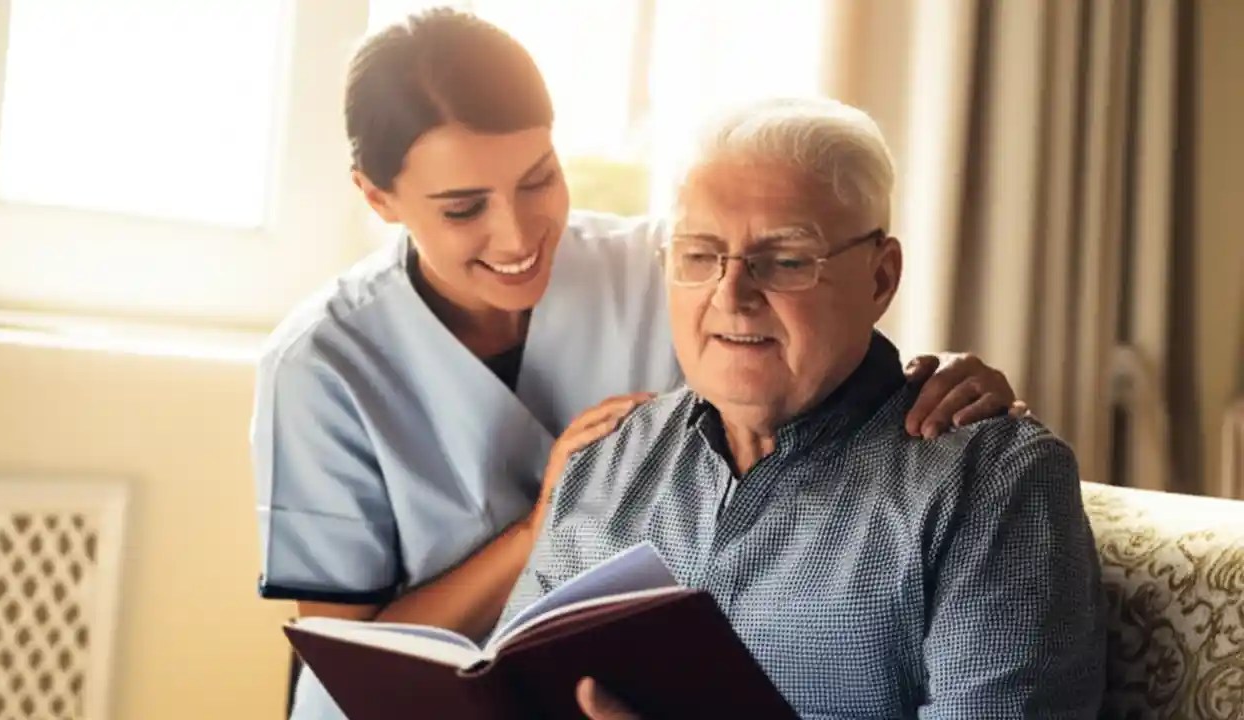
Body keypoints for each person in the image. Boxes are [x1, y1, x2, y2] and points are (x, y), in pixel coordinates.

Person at [252, 9, 1027, 719]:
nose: (520, 234)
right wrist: (536, 526)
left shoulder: (670, 263)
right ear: (377, 197)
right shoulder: (322, 362)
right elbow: (342, 652)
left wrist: (930, 376)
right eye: (463, 208)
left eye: (538, 180)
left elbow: (816, 313)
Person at [501, 97, 1107, 719]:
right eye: (701, 256)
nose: (732, 296)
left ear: (881, 278)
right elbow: (501, 695)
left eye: (786, 261)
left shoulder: (989, 481)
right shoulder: (607, 459)